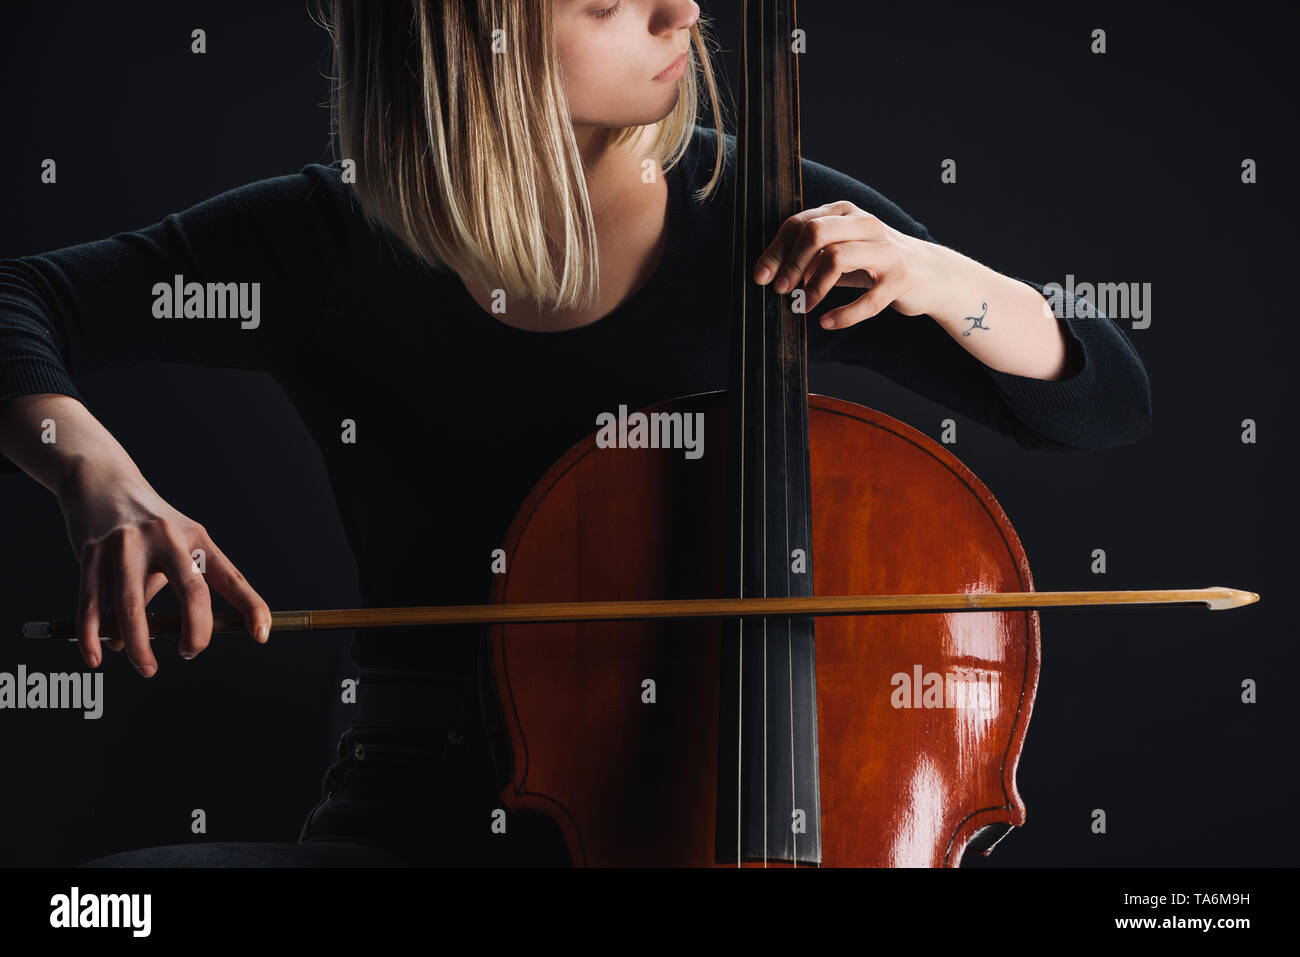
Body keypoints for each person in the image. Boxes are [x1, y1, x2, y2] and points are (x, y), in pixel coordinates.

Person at [0, 0, 1150, 867]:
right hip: (416, 816)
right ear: (472, 42)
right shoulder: (325, 239)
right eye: (608, 2)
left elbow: (1100, 400)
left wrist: (946, 280)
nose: (682, 13)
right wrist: (97, 479)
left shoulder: (765, 217)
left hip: (744, 807)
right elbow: (20, 302)